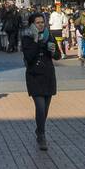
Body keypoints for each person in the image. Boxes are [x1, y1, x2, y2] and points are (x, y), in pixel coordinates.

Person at [22, 13, 61, 150]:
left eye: (42, 22)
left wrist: (53, 50)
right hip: (34, 76)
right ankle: (42, 136)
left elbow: (58, 56)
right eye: (37, 22)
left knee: (45, 109)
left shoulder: (49, 36)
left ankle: (39, 129)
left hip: (48, 75)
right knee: (40, 106)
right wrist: (38, 43)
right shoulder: (27, 37)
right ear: (32, 24)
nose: (40, 25)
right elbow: (29, 57)